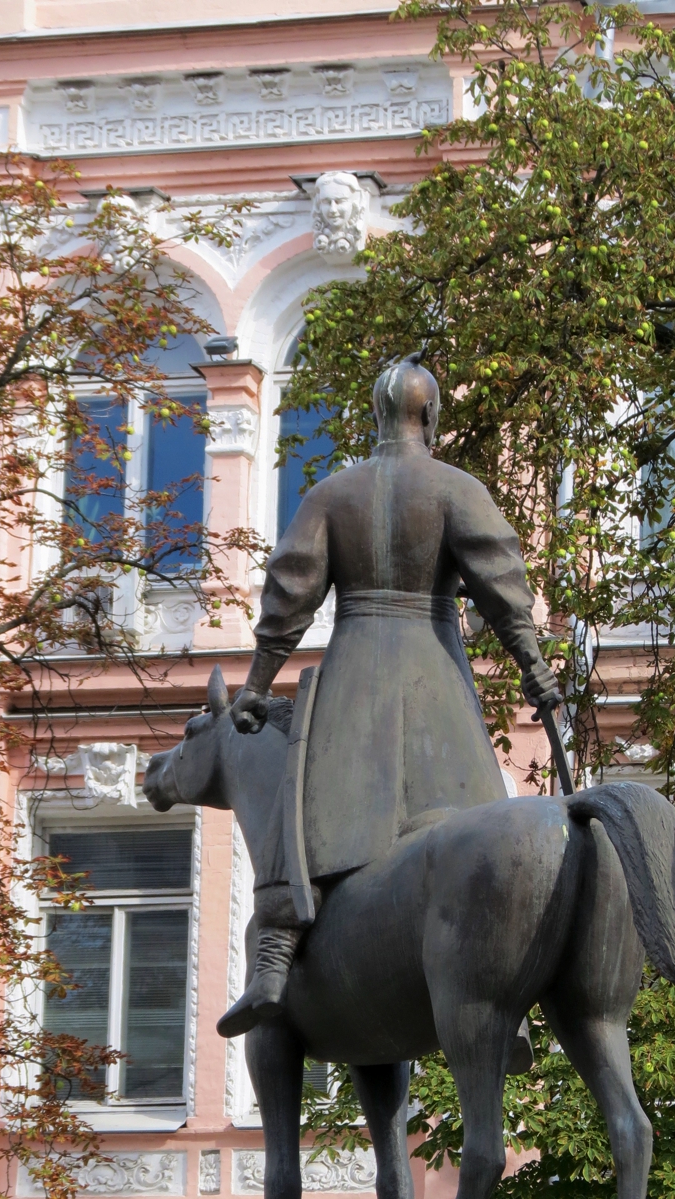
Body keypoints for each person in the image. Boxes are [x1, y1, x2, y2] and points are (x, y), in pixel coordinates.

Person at [216, 353, 561, 1039]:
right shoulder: (456, 489)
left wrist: (255, 688)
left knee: (307, 812)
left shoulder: (332, 495)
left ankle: (274, 964)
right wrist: (534, 666)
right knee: (476, 836)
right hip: (435, 674)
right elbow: (502, 588)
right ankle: (506, 1008)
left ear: (374, 416)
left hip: (355, 678)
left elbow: (288, 597)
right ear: (430, 416)